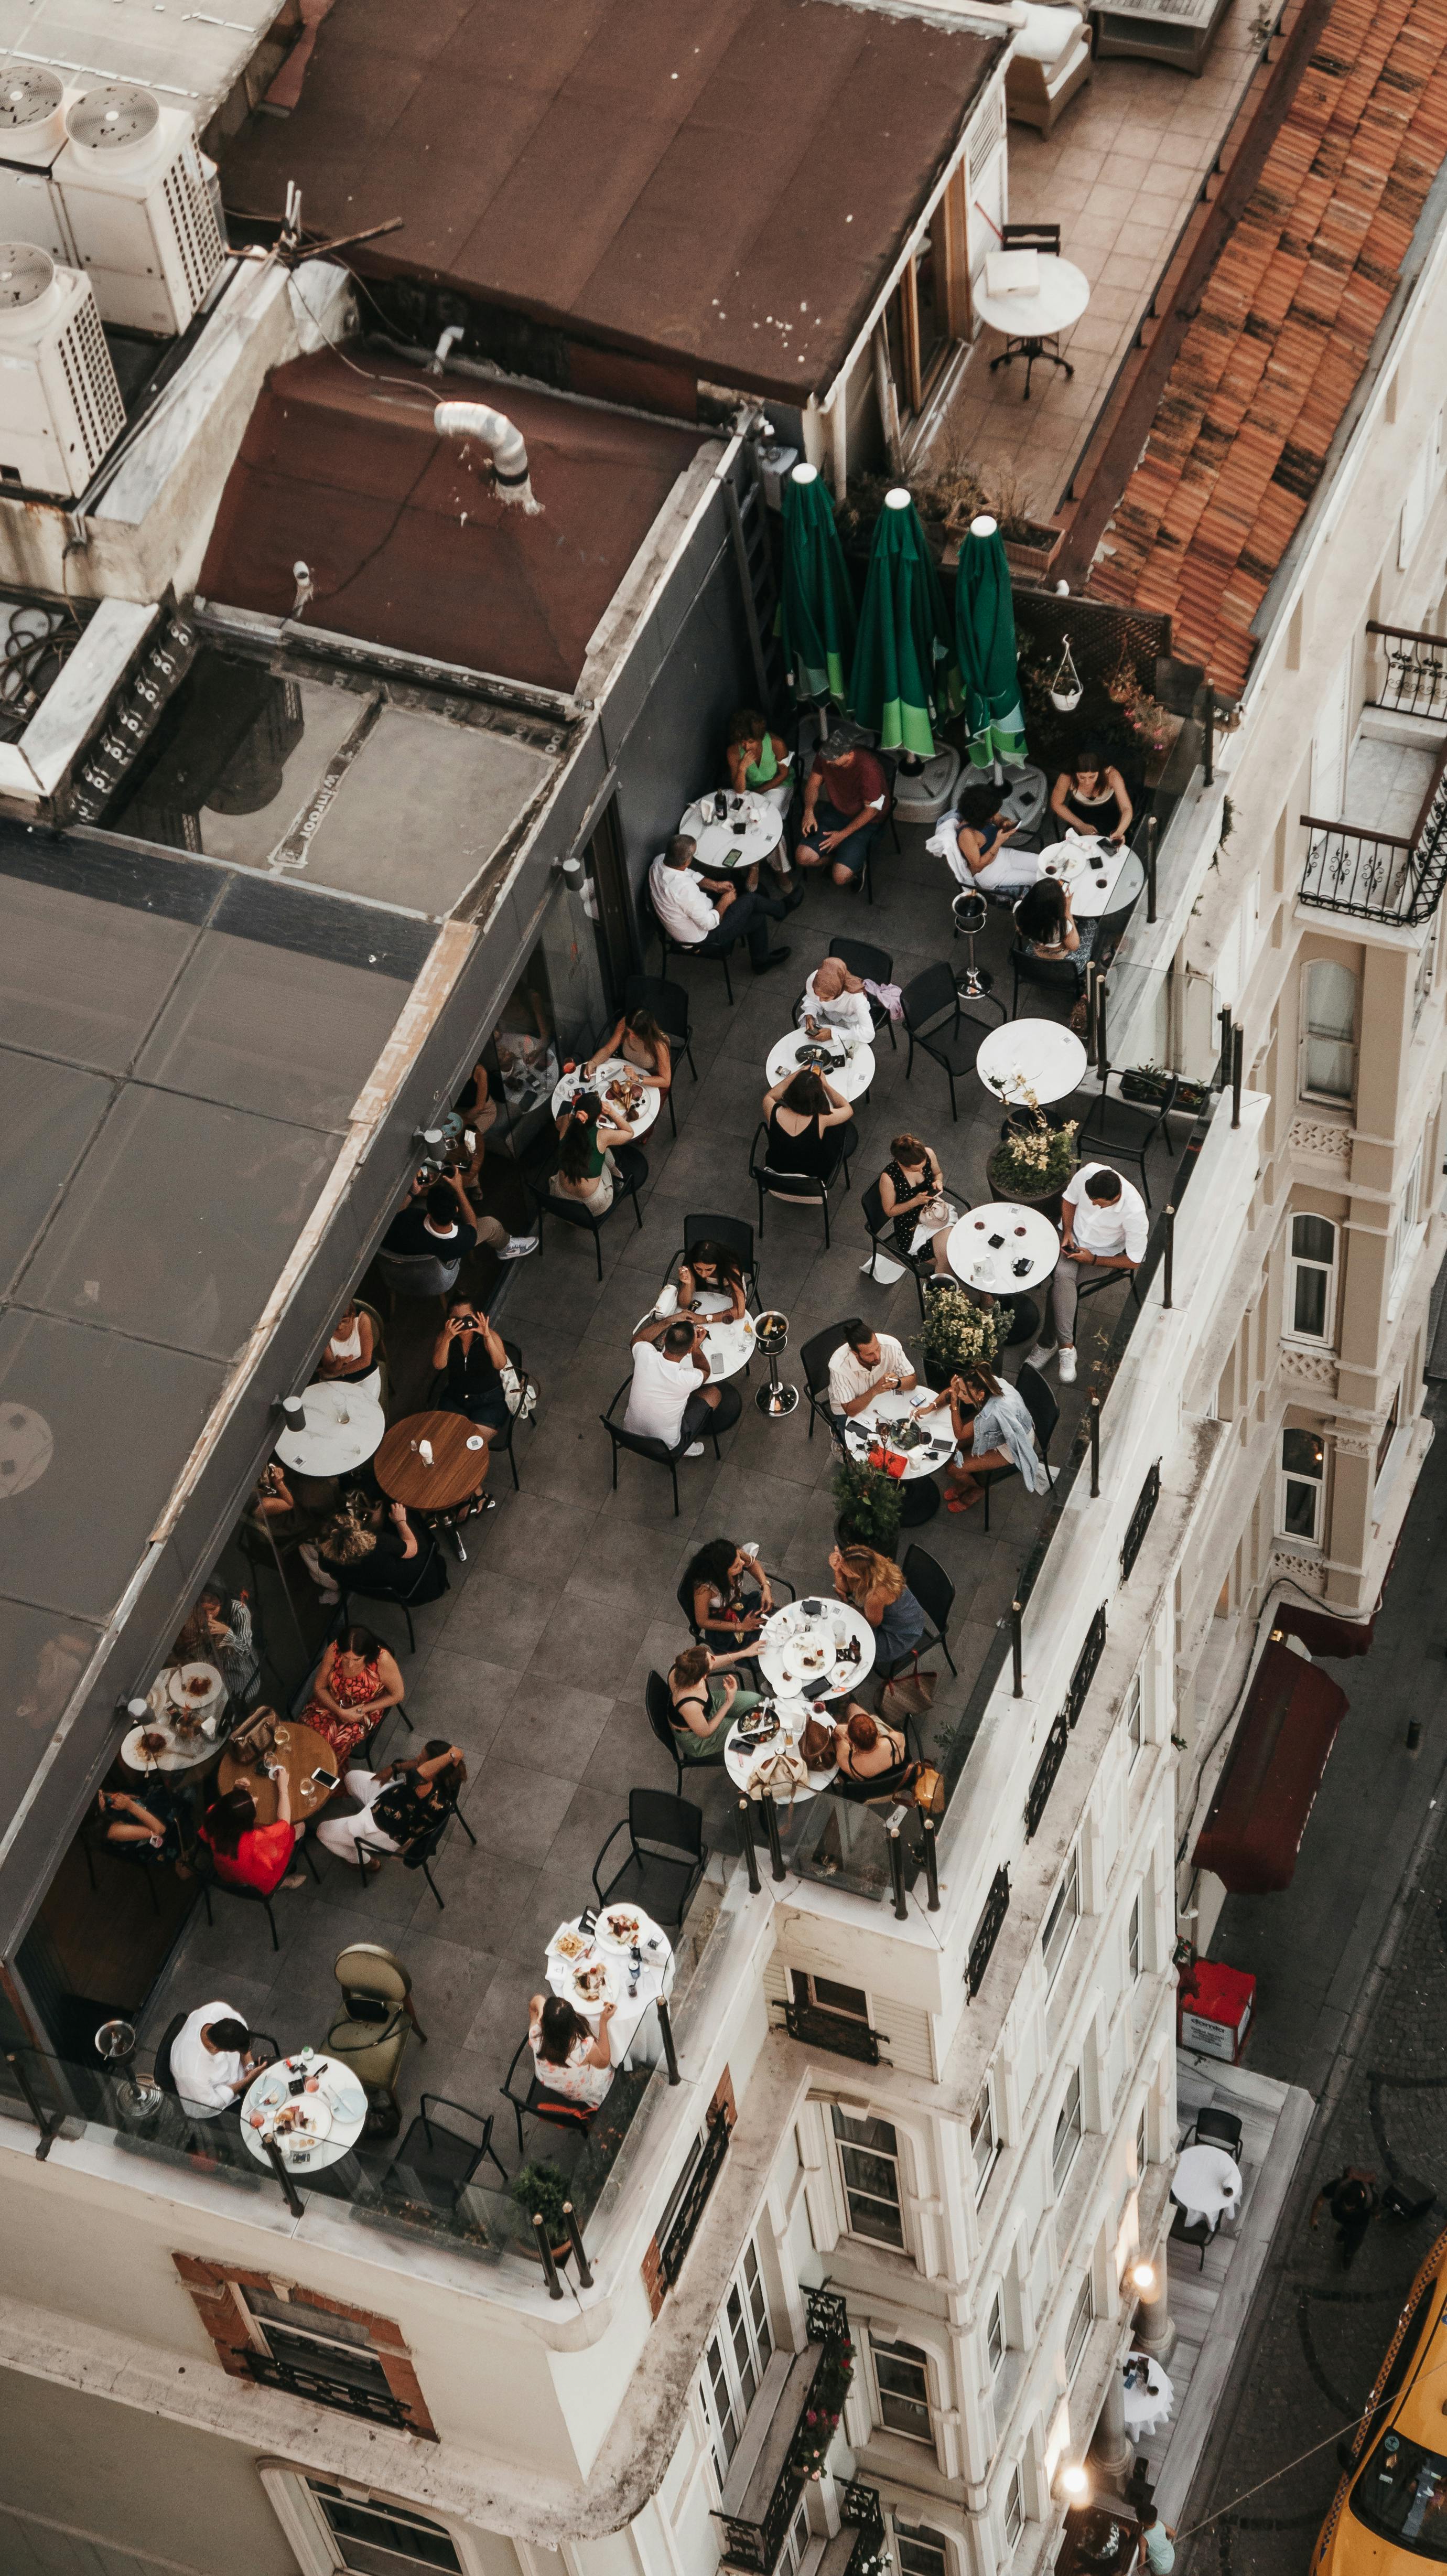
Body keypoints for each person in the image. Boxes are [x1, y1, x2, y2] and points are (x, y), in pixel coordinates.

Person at [1027, 1163, 1148, 1384]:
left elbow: (1134, 1260)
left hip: (1103, 1254)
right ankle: (1066, 1348)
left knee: (1059, 1291)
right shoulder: (1088, 1173)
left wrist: (1092, 1259)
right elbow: (1069, 1200)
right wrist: (1068, 1232)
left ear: (1116, 1198)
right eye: (1091, 1198)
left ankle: (1048, 1344)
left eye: (1097, 1203)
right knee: (1063, 1282)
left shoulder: (1135, 1214)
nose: (1092, 1203)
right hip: (1073, 1241)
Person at [649, 833, 793, 975]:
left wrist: (715, 886)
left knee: (749, 903)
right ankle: (782, 910)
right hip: (703, 940)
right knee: (752, 902)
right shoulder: (684, 890)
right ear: (686, 861)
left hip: (696, 914)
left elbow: (689, 873)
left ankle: (762, 960)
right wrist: (725, 901)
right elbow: (708, 923)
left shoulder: (660, 862)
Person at [316, 1741, 467, 1870]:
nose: (418, 1759)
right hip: (390, 1800)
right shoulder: (448, 1778)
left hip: (384, 1830)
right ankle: (361, 1812)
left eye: (422, 1759)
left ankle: (365, 1862)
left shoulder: (422, 1787)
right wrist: (396, 1768)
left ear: (432, 1769)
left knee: (323, 1832)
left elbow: (421, 1772)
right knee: (351, 1778)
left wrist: (451, 1755)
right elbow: (420, 1767)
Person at [942, 1367, 1049, 1512]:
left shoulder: (991, 1415)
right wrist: (931, 1407)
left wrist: (954, 1404)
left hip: (1012, 1446)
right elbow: (953, 1391)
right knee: (952, 1446)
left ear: (981, 1394)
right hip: (1009, 1426)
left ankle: (979, 1488)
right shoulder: (990, 1382)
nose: (959, 1394)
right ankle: (966, 1481)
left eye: (964, 1393)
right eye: (960, 1389)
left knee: (952, 1468)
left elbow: (959, 1433)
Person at [314, 1490, 442, 1608]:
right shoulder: (379, 1543)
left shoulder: (330, 1563)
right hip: (425, 1576)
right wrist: (400, 1521)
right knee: (398, 1506)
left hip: (395, 1592)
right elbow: (412, 1550)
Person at [301, 1626, 405, 1766]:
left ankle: (326, 1775)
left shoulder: (382, 1660)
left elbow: (398, 1695)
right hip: (332, 1702)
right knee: (305, 1736)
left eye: (357, 1660)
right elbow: (319, 1687)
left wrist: (361, 1710)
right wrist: (339, 1711)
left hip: (363, 1711)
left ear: (367, 1654)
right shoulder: (334, 1650)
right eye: (345, 1658)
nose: (350, 1664)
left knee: (333, 1745)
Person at [199, 1765, 306, 1896]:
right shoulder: (254, 1841)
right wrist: (283, 1788)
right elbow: (284, 1825)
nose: (254, 1800)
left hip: (227, 1870)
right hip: (257, 1877)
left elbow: (227, 1809)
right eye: (253, 1805)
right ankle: (283, 1883)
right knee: (299, 1826)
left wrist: (236, 1791)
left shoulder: (214, 1814)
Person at [796, 742, 889, 887]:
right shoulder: (826, 756)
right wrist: (809, 811)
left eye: (832, 759)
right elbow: (813, 784)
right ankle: (837, 859)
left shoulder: (869, 770)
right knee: (802, 857)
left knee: (840, 878)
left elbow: (872, 811)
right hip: (837, 812)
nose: (827, 762)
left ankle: (855, 867)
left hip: (868, 822)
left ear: (850, 754)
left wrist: (842, 835)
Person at [625, 1314, 718, 1456]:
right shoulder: (687, 1378)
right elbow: (705, 1371)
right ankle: (685, 1448)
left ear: (664, 1340)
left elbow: (638, 1340)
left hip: (630, 1435)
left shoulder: (644, 1354)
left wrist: (669, 1320)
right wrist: (696, 1347)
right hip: (667, 1447)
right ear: (688, 1350)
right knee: (714, 1393)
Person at [433, 1298, 511, 1459]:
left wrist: (487, 1336)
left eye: (467, 1318)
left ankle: (466, 1482)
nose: (463, 1324)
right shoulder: (445, 1338)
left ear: (475, 1317)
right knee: (445, 1444)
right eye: (457, 1320)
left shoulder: (489, 1336)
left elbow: (500, 1364)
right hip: (455, 1399)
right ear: (450, 1322)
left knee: (468, 1449)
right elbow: (439, 1365)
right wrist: (447, 1339)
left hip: (489, 1402)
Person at [829, 1544, 927, 1669]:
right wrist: (838, 1571)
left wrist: (847, 1602)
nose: (842, 1567)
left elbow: (871, 1624)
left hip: (899, 1635)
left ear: (857, 1575)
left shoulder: (875, 1597)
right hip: (908, 1615)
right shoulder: (874, 1562)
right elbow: (846, 1589)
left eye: (844, 1568)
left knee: (850, 1637)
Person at [169, 2004, 271, 2118]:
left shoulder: (217, 2010)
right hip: (212, 2100)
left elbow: (242, 2030)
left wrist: (250, 2067)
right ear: (217, 2049)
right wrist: (248, 2081)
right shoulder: (194, 2073)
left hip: (239, 2074)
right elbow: (213, 2103)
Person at [382, 1172, 478, 1290]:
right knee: (492, 1225)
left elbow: (391, 1218)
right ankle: (506, 1249)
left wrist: (412, 1193)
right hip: (441, 1269)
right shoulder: (464, 1240)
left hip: (405, 1260)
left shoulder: (407, 1219)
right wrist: (459, 1189)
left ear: (429, 1212)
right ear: (457, 1209)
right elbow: (472, 1224)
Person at [761, 1067, 857, 1182]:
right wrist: (825, 1085)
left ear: (791, 1092)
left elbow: (771, 1095)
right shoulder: (822, 1119)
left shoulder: (772, 1111)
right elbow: (848, 1109)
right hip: (813, 1182)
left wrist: (799, 1074)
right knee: (837, 1129)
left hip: (775, 1180)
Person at [667, 1645, 761, 1763]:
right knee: (749, 1729)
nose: (714, 1658)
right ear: (704, 1675)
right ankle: (755, 1758)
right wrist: (729, 1702)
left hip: (708, 1706)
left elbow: (712, 1663)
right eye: (711, 1659)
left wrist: (744, 1653)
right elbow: (705, 1733)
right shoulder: (689, 1705)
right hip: (698, 1738)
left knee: (757, 1701)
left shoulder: (685, 1668)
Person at [527, 1990, 615, 2110]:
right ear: (573, 2024)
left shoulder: (535, 2035)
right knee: (614, 2053)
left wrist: (545, 2012)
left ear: (542, 2022)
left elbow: (535, 2003)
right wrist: (603, 2022)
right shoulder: (583, 2050)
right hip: (590, 2090)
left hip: (556, 2083)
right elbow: (604, 2061)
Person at [945, 783, 1039, 893]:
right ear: (984, 815)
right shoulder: (967, 835)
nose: (997, 814)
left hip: (1004, 855)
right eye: (994, 813)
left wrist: (1005, 822)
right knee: (1040, 878)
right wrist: (998, 842)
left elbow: (999, 819)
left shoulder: (987, 813)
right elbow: (978, 866)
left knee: (1045, 863)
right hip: (989, 873)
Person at [552, 1090, 632, 1216]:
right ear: (599, 1117)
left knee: (590, 1154)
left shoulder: (566, 1121)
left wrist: (571, 1118)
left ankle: (613, 1172)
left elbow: (558, 1125)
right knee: (604, 1154)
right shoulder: (602, 1136)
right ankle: (616, 1176)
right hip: (591, 1207)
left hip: (561, 1199)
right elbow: (629, 1133)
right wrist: (611, 1112)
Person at [684, 1538, 774, 1646]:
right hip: (721, 1621)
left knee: (775, 1622)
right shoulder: (704, 1590)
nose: (742, 1562)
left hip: (740, 1602)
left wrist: (766, 1587)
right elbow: (702, 1622)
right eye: (736, 1566)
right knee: (760, 1647)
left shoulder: (734, 1554)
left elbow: (752, 1563)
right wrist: (741, 1627)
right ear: (721, 1574)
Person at [827, 1320, 917, 1425]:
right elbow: (850, 1410)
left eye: (878, 1348)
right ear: (855, 1354)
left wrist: (898, 1383)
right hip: (850, 1410)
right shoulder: (839, 1367)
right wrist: (875, 1390)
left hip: (882, 1399)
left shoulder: (892, 1346)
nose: (878, 1357)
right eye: (870, 1354)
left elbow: (913, 1381)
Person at [878, 1134, 947, 1262]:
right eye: (916, 1170)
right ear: (902, 1164)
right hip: (911, 1226)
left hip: (935, 1212)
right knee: (945, 1258)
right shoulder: (889, 1178)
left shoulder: (928, 1153)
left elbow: (938, 1174)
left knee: (953, 1249)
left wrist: (938, 1182)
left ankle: (941, 1279)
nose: (922, 1171)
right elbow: (889, 1211)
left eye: (923, 1166)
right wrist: (915, 1202)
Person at [582, 1006, 672, 1106]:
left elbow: (666, 1081)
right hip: (627, 1071)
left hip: (650, 1077)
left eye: (635, 1035)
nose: (631, 1037)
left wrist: (638, 1078)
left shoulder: (659, 1045)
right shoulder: (625, 1023)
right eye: (629, 1032)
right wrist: (593, 1063)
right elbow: (608, 1049)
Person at [94, 1784, 188, 1873]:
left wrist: (128, 1800)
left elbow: (136, 1799)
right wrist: (130, 1805)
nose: (101, 1792)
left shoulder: (101, 1805)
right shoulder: (113, 1831)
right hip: (163, 1839)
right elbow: (159, 1830)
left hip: (146, 1809)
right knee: (186, 1791)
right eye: (99, 1796)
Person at [1051, 745, 1133, 846]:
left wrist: (1120, 831)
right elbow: (1056, 803)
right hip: (1080, 814)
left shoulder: (1112, 775)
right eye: (1082, 777)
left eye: (1092, 777)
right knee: (1074, 847)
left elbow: (1126, 808)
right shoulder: (1066, 777)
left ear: (1100, 772)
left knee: (1110, 849)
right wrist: (1080, 825)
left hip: (1109, 815)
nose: (1087, 782)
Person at [1014, 875, 1093, 977]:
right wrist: (1067, 912)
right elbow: (1075, 946)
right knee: (1091, 923)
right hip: (1066, 966)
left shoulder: (1019, 910)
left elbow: (1020, 931)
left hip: (1036, 954)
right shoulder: (1063, 926)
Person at [831, 1704, 911, 1799]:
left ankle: (840, 1709)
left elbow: (836, 1738)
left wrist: (837, 1729)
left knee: (851, 1707)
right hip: (895, 1782)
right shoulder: (895, 1741)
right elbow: (898, 1736)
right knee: (858, 1716)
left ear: (850, 1741)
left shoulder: (847, 1763)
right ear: (877, 1733)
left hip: (870, 1789)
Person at [726, 706, 794, 811]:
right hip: (750, 788)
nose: (746, 747)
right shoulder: (733, 752)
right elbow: (739, 789)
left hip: (776, 785)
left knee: (766, 811)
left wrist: (758, 792)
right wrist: (742, 769)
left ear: (759, 738)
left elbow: (784, 774)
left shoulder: (776, 744)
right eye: (742, 742)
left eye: (751, 742)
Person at [797, 955, 874, 1044]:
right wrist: (810, 1014)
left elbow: (869, 1033)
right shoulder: (816, 979)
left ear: (838, 992)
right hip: (828, 1015)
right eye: (818, 995)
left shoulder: (856, 998)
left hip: (848, 1023)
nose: (821, 1001)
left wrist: (832, 1034)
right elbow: (813, 999)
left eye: (826, 998)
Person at [1311, 2169, 1379, 2270]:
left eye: (1350, 2207)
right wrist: (1313, 2218)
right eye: (1345, 2205)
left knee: (1355, 2242)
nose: (1347, 2208)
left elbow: (1375, 2207)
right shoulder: (1337, 2186)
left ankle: (1348, 2255)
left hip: (1359, 2223)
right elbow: (1320, 2200)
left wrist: (1377, 2215)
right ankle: (1345, 2230)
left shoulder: (1371, 2198)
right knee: (1346, 2227)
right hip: (1342, 2218)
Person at [675, 1240, 748, 1320]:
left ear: (718, 1264)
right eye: (698, 1269)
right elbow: (684, 1305)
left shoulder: (731, 1268)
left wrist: (703, 1319)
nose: (703, 1275)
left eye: (709, 1270)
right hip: (702, 1289)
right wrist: (687, 1284)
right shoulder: (691, 1264)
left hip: (729, 1291)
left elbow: (739, 1313)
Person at [316, 1302, 376, 1384]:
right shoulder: (324, 1330)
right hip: (337, 1382)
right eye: (336, 1322)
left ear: (352, 1315)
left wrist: (337, 1371)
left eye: (344, 1321)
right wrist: (338, 1363)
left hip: (366, 1375)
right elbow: (329, 1368)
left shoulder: (362, 1320)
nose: (339, 1327)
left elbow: (366, 1361)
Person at [1136, 2506, 1176, 2572]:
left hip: (1161, 2566)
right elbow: (1173, 2534)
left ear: (1142, 2522)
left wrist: (1140, 2570)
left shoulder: (1143, 2538)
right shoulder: (1159, 2523)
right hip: (1171, 2556)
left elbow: (1142, 2560)